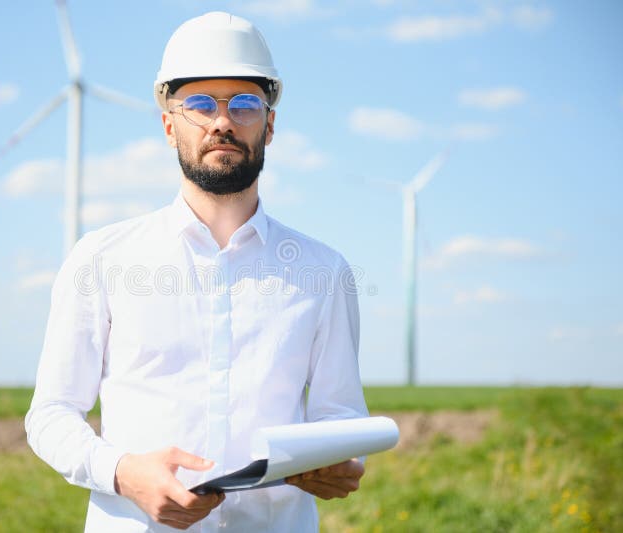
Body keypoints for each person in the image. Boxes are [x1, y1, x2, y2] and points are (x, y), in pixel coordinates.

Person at [25, 11, 369, 532]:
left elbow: (339, 418)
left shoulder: (325, 272)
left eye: (246, 104)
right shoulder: (100, 260)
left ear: (269, 126)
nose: (222, 122)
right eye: (200, 105)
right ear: (169, 125)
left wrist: (344, 462)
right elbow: (50, 415)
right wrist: (122, 473)